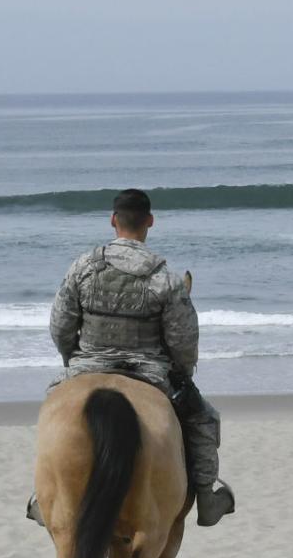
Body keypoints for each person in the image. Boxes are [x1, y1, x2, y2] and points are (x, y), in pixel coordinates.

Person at [37, 188, 233, 526]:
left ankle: (42, 496)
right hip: (149, 371)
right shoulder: (164, 279)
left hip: (88, 366)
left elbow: (60, 326)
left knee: (52, 416)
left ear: (113, 220)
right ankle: (206, 496)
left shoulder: (83, 267)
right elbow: (184, 340)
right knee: (203, 418)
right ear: (150, 222)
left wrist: (75, 360)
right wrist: (182, 374)